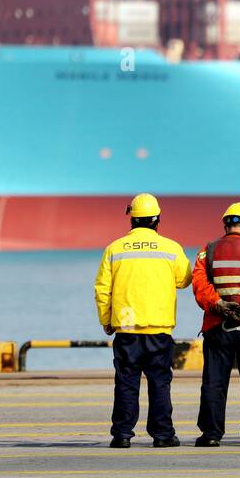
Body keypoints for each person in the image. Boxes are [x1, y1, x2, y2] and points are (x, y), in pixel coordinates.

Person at [94, 192, 192, 448]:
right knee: (160, 383)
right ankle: (162, 436)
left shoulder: (114, 249)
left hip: (126, 329)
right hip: (158, 328)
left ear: (132, 219)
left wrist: (107, 320)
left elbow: (102, 289)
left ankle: (122, 435)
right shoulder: (171, 248)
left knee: (126, 382)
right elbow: (184, 280)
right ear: (157, 219)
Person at [190, 201, 240, 448]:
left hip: (217, 326)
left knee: (214, 381)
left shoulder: (208, 250)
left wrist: (219, 305)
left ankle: (211, 434)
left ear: (226, 225)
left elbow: (199, 285)